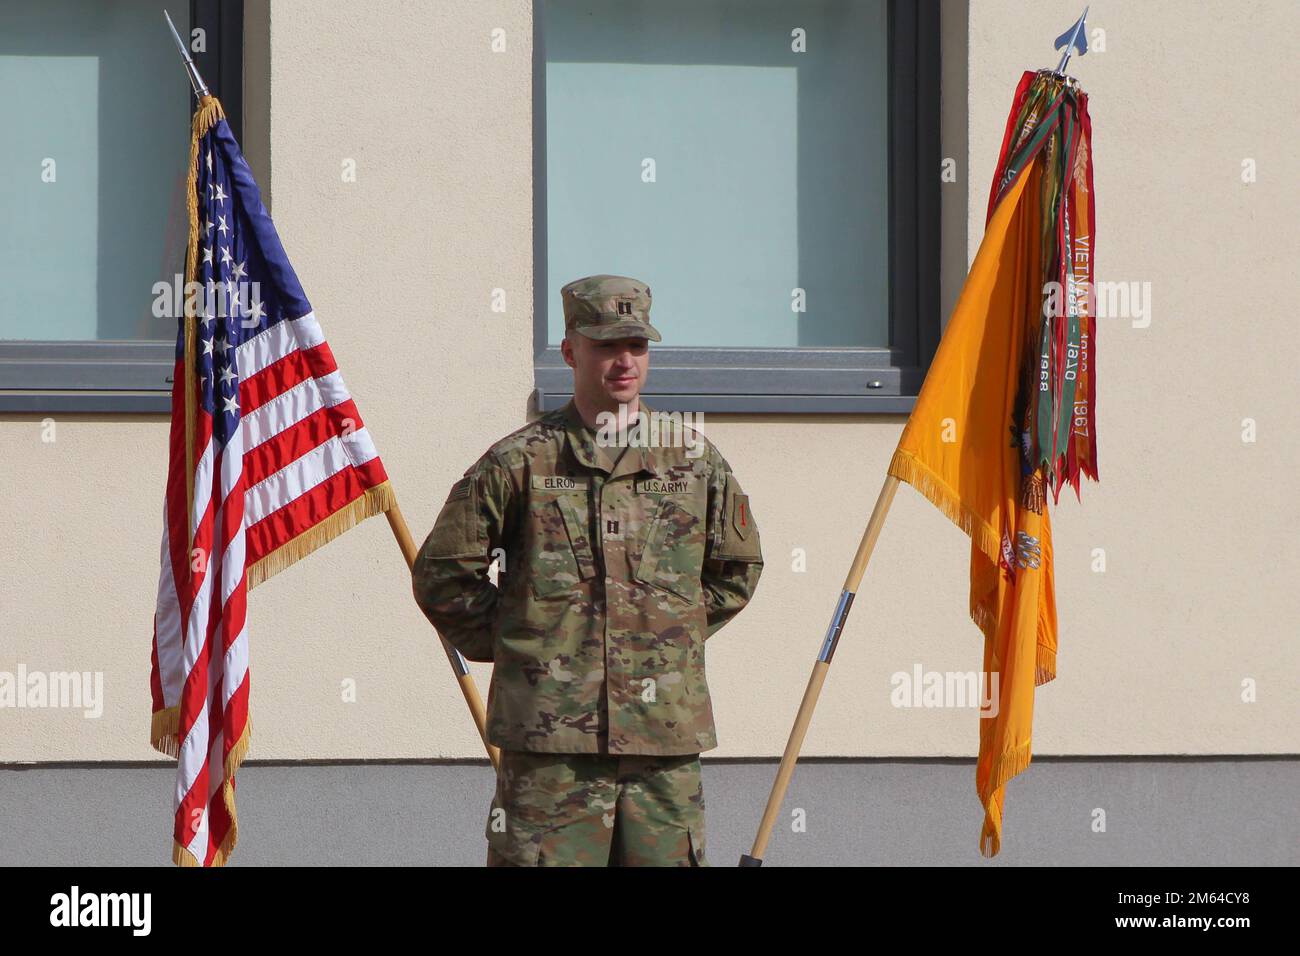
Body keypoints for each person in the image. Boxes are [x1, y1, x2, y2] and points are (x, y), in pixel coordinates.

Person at [412, 274, 763, 866]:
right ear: (571, 351)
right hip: (553, 751)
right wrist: (522, 643)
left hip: (662, 748)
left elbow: (737, 568)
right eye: (606, 346)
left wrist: (667, 638)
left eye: (637, 346)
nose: (624, 361)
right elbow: (442, 574)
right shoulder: (520, 463)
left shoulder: (695, 464)